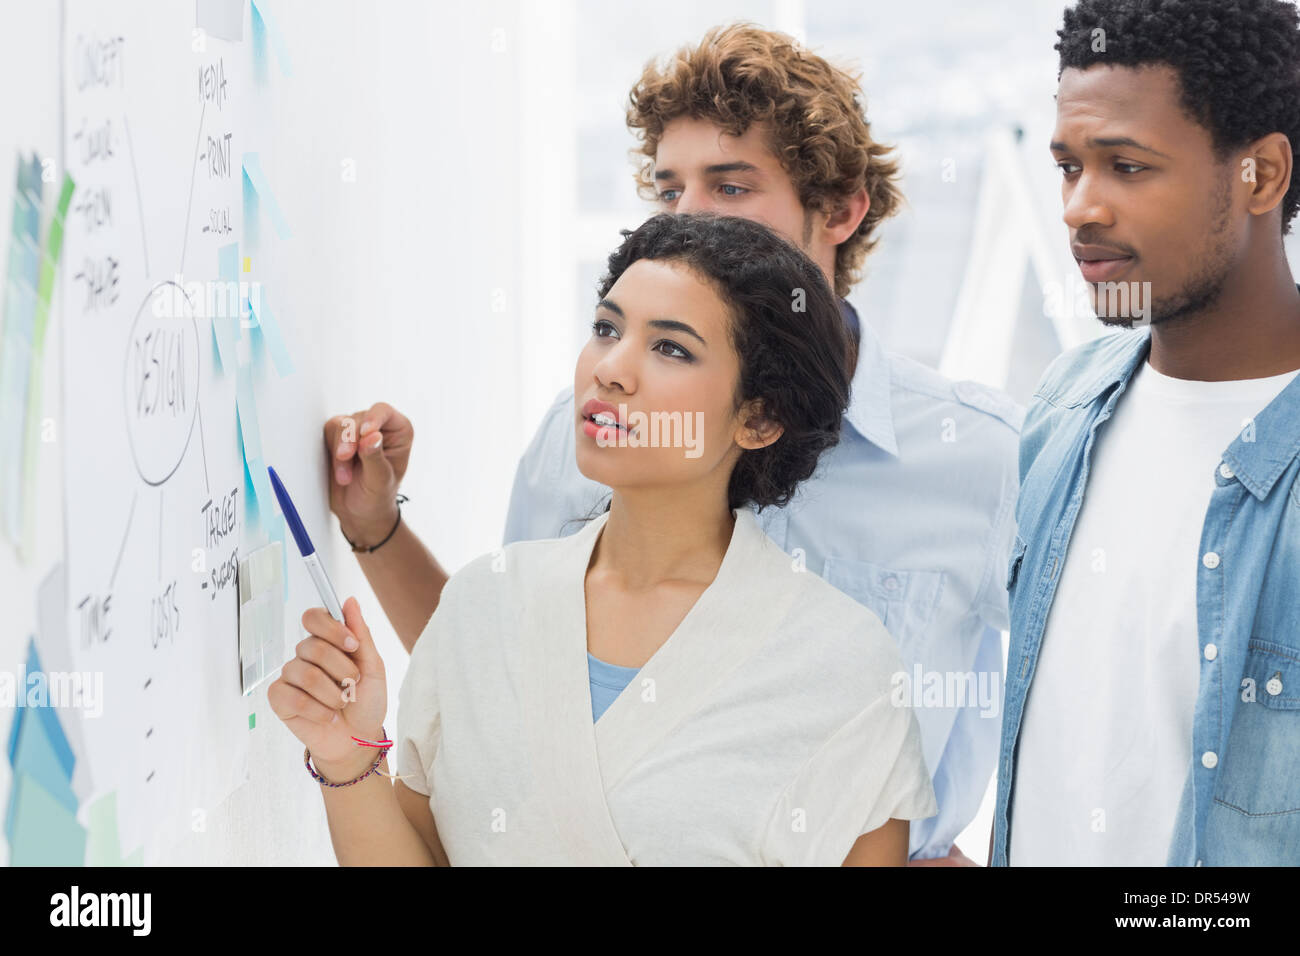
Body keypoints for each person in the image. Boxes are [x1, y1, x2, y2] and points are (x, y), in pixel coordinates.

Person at [324, 24, 1022, 864]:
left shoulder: (979, 458)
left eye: (729, 186)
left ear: (841, 209)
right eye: (669, 189)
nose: (689, 216)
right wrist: (378, 531)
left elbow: (1088, 709)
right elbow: (498, 673)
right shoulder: (589, 431)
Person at [271, 212, 939, 865]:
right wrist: (346, 756)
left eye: (671, 348)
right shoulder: (483, 604)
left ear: (759, 420)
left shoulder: (842, 664)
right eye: (605, 329)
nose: (611, 368)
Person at [993, 0, 1300, 866]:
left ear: (1261, 176)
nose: (1079, 208)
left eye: (1126, 167)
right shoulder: (1061, 408)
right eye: (1068, 167)